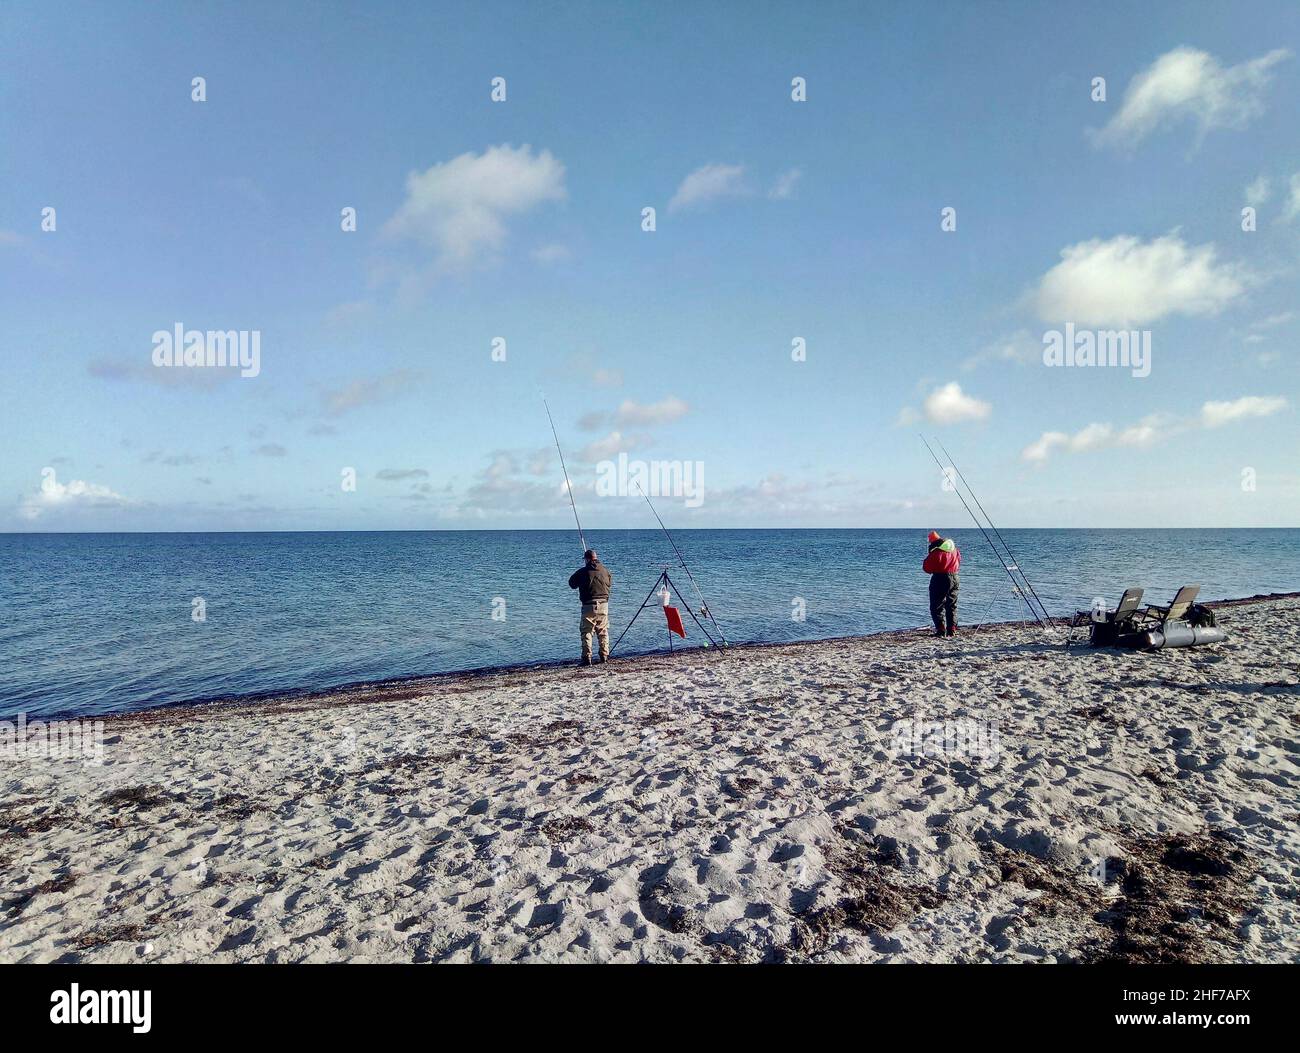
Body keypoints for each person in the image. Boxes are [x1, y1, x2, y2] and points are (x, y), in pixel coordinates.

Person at [568, 548, 612, 665]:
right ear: (596, 558)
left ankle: (587, 658)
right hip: (604, 605)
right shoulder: (605, 571)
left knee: (587, 631)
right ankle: (604, 656)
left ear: (587, 559)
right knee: (603, 631)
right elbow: (609, 584)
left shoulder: (582, 572)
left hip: (588, 605)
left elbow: (572, 583)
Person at [922, 530, 960, 637]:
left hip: (939, 578)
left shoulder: (936, 552)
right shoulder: (954, 549)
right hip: (955, 577)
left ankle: (941, 629)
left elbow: (926, 568)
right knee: (952, 605)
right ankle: (952, 629)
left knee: (936, 605)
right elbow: (959, 560)